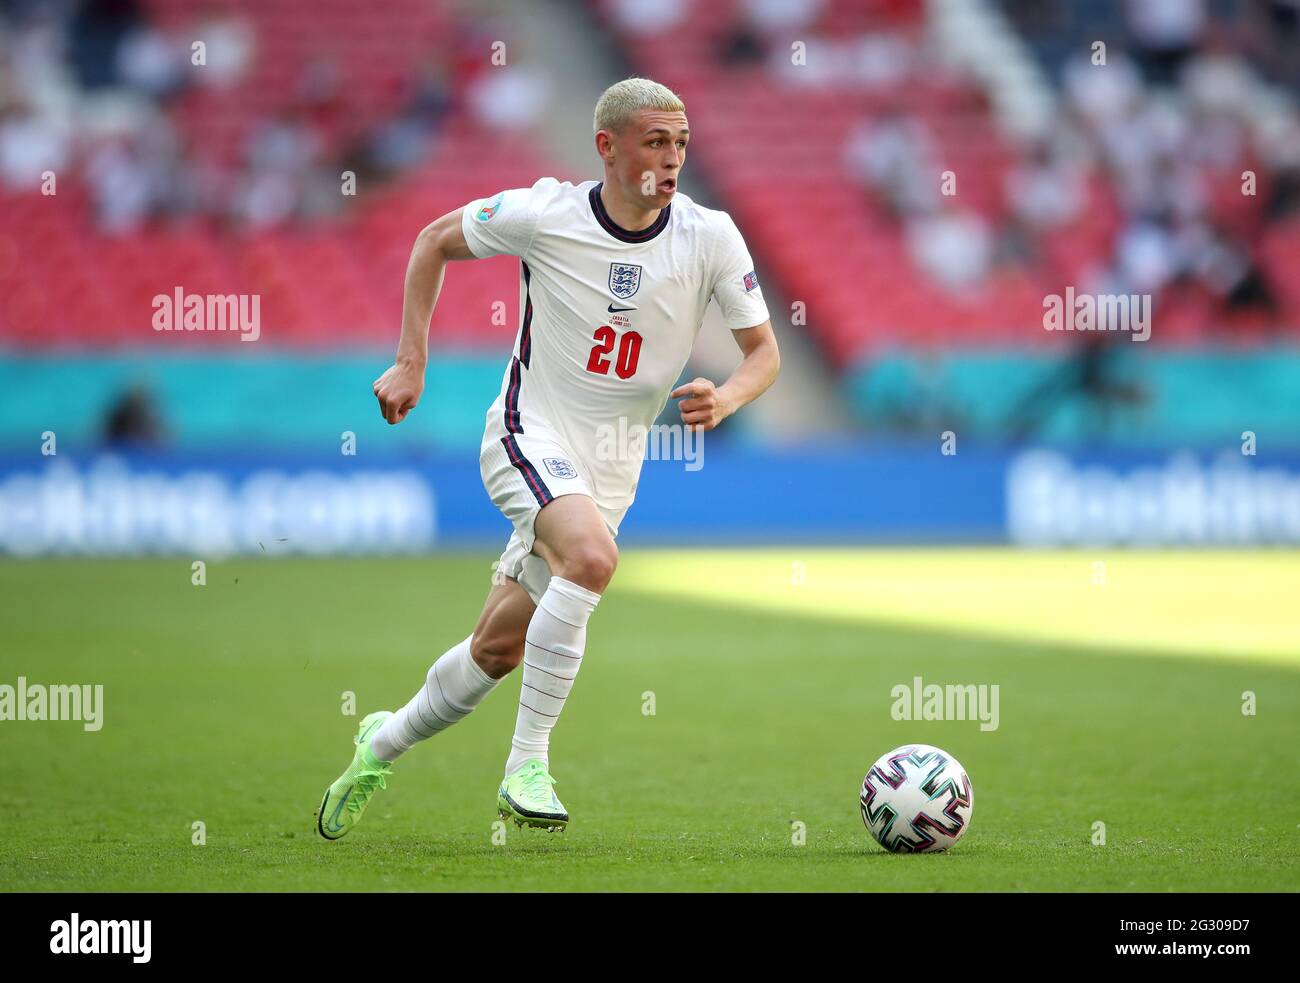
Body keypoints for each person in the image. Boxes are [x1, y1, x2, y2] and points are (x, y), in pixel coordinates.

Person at [317, 77, 780, 838]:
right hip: (528, 435)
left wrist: (728, 397)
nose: (672, 160)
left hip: (611, 468)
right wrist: (411, 361)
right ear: (608, 146)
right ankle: (526, 765)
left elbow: (763, 353)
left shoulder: (711, 236)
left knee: (497, 648)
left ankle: (379, 742)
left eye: (682, 144)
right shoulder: (545, 214)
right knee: (592, 560)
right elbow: (434, 238)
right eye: (656, 142)